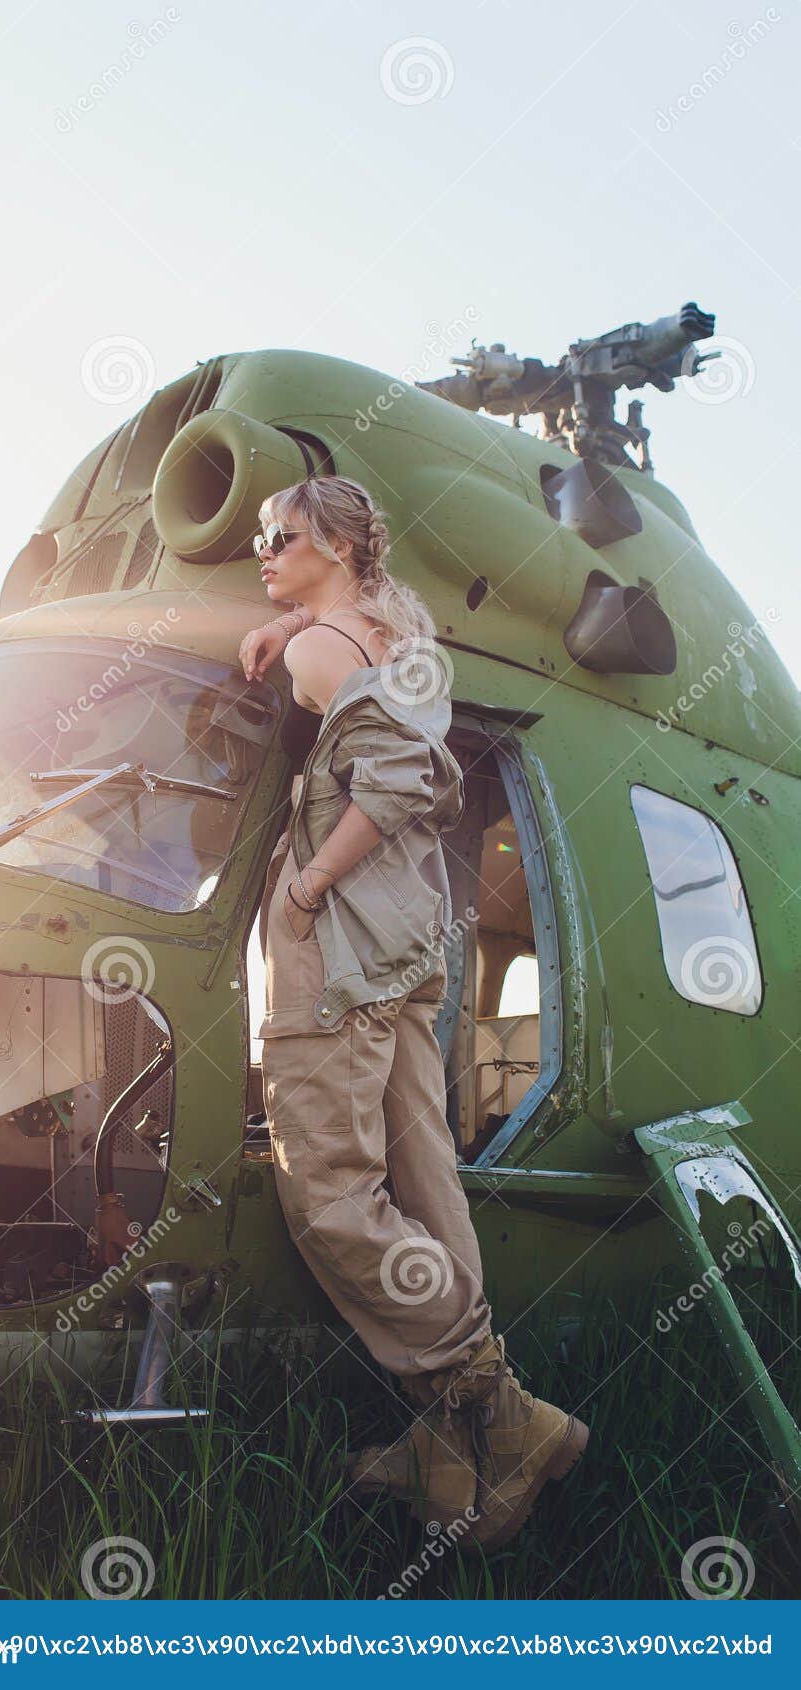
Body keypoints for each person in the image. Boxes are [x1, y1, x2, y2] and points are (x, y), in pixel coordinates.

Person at [238, 474, 588, 1555]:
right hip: (401, 943)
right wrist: (295, 621)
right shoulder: (394, 635)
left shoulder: (322, 650)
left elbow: (394, 777)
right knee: (425, 1182)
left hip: (340, 945)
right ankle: (450, 1449)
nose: (263, 550)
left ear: (339, 544)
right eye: (258, 536)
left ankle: (499, 1410)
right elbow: (390, 719)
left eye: (282, 535)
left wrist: (305, 886)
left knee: (329, 1194)